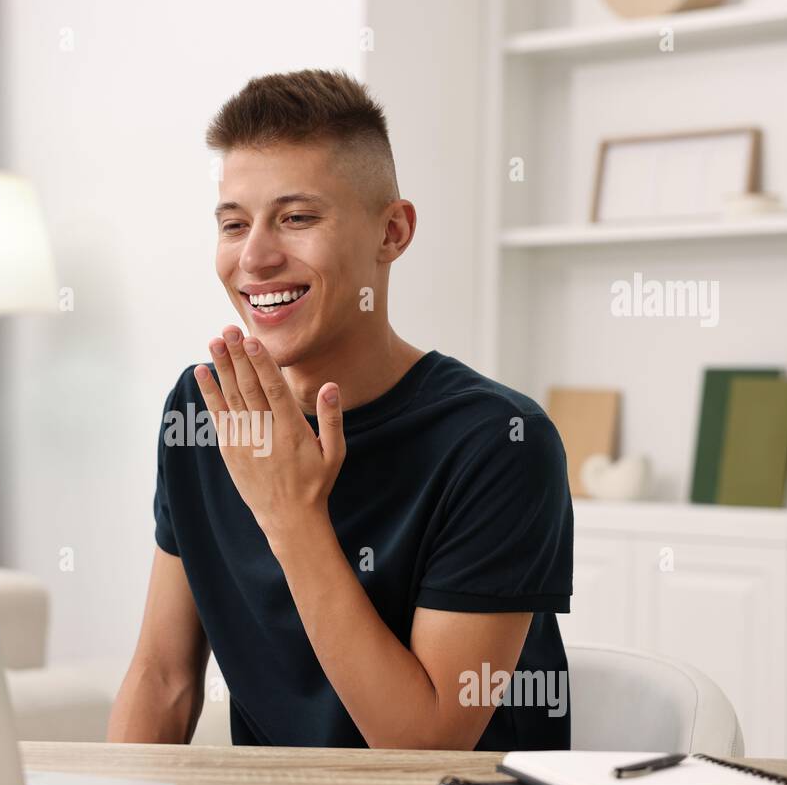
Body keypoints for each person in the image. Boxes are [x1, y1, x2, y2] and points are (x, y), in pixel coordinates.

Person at [108, 69, 573, 750]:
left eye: (296, 218)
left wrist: (293, 515)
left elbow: (424, 748)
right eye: (234, 224)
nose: (256, 257)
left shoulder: (501, 442)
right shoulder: (203, 410)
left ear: (392, 232)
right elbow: (164, 678)